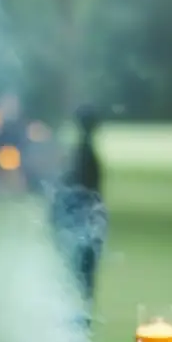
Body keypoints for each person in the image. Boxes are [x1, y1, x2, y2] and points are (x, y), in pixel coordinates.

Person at [48, 105, 107, 327]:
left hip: (83, 224)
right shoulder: (86, 154)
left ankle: (78, 313)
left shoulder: (80, 154)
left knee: (80, 271)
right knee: (82, 273)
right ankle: (79, 313)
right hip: (84, 224)